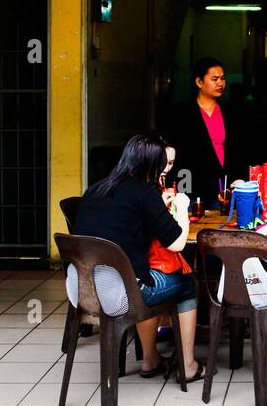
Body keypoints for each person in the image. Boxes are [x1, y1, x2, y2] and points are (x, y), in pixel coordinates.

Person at [72, 132, 204, 382]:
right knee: (186, 283)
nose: (165, 169)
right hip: (122, 294)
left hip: (84, 290)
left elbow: (122, 221)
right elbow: (176, 243)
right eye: (162, 164)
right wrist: (183, 210)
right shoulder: (144, 193)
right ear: (151, 165)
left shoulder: (95, 189)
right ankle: (188, 366)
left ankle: (150, 359)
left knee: (147, 270)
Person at [163, 57, 250, 208]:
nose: (220, 83)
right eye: (214, 79)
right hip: (191, 185)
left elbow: (239, 149)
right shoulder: (181, 113)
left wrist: (239, 179)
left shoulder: (231, 111)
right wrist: (176, 187)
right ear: (199, 82)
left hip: (224, 186)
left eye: (223, 78)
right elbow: (175, 154)